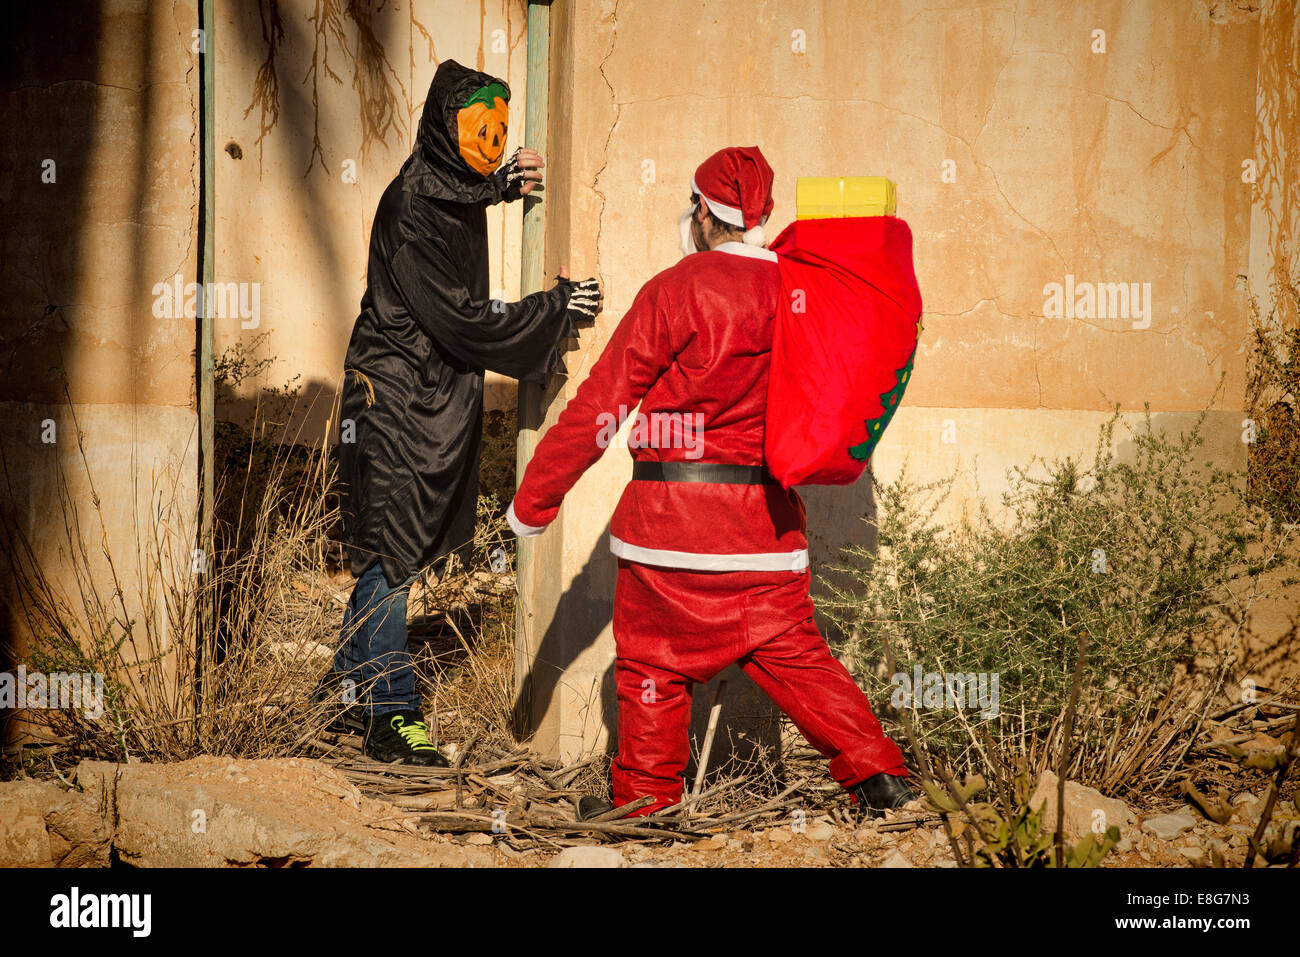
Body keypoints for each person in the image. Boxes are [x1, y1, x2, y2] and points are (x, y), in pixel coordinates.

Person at [506, 146, 914, 817]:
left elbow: (600, 408)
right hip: (761, 539)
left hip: (666, 540)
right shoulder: (796, 291)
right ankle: (881, 779)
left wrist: (535, 501)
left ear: (702, 211)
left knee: (651, 671)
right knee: (801, 659)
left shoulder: (675, 289)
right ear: (761, 216)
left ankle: (646, 807)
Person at [322, 59, 600, 766]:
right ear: (445, 127)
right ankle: (390, 713)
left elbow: (455, 190)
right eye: (479, 130)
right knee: (391, 553)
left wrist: (499, 187)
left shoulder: (439, 185)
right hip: (393, 402)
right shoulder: (411, 208)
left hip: (422, 396)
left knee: (396, 556)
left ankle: (344, 691)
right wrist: (552, 308)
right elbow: (463, 319)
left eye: (498, 133)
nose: (491, 141)